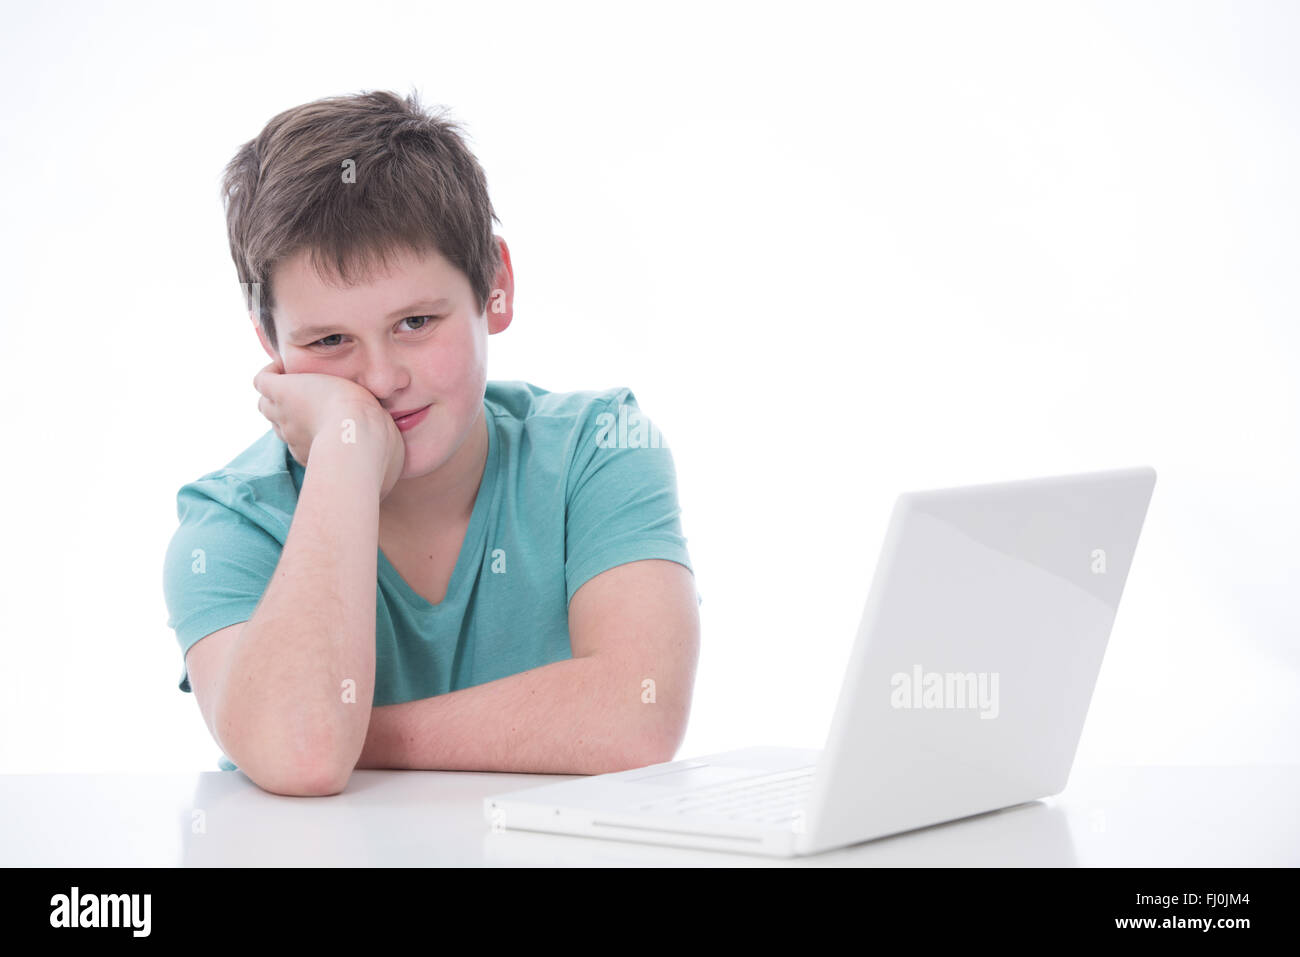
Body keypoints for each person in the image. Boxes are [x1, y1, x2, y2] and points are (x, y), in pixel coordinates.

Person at [162, 89, 699, 796]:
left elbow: (639, 715)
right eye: (329, 341)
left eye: (416, 321)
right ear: (271, 344)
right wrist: (347, 450)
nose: (381, 380)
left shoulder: (599, 449)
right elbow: (305, 752)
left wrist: (351, 727)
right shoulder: (230, 523)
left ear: (495, 288)